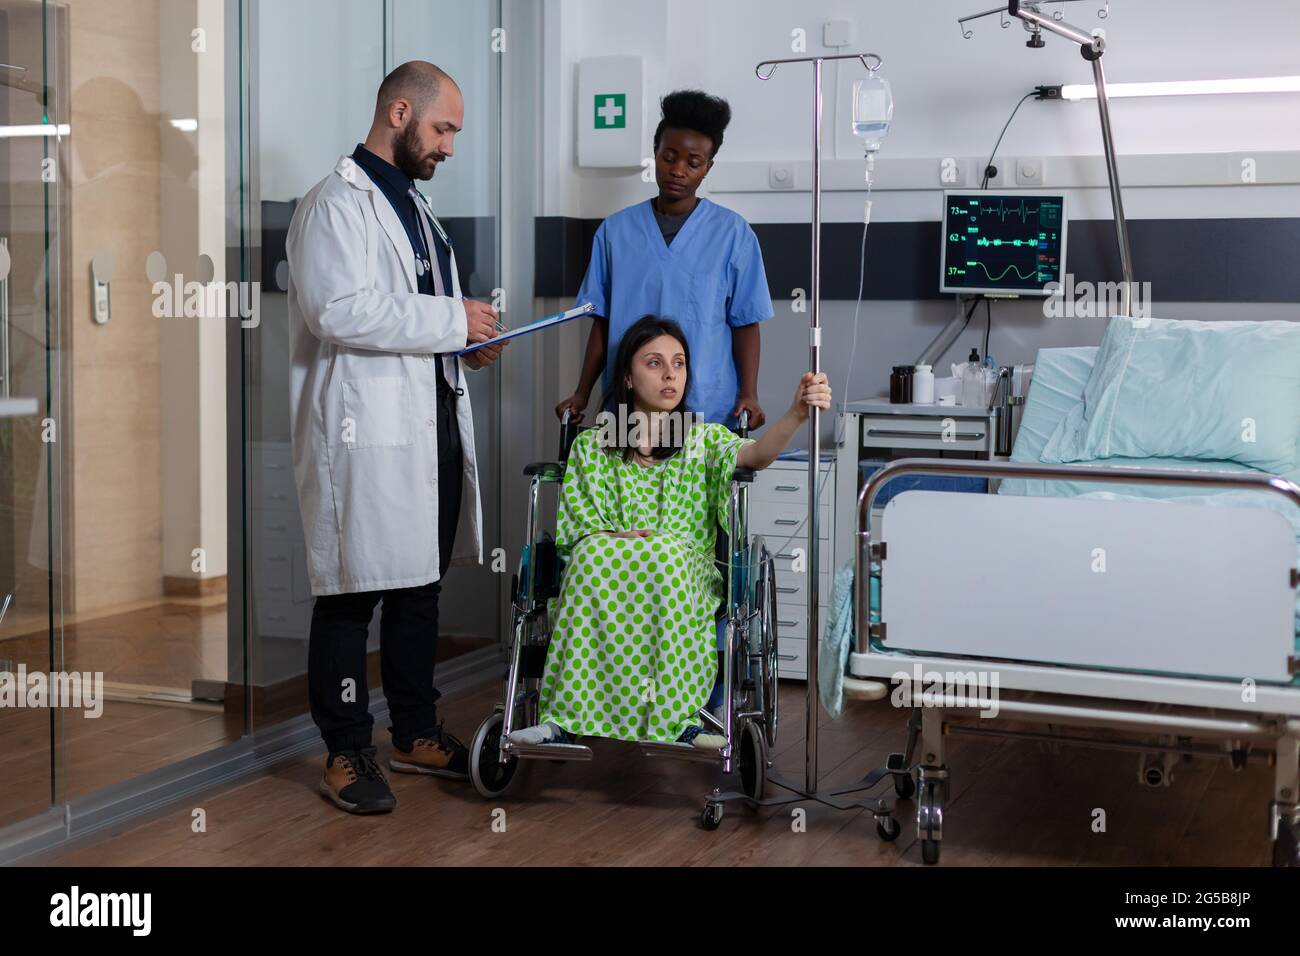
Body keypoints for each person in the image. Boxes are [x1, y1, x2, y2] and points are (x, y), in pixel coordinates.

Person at [286, 61, 505, 815]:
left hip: (429, 426)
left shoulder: (419, 212)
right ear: (401, 112)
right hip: (363, 435)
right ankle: (346, 752)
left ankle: (413, 732)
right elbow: (336, 310)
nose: (448, 146)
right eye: (443, 129)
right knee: (352, 592)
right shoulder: (332, 205)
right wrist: (450, 322)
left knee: (420, 585)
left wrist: (462, 343)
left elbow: (413, 319)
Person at [511, 316, 830, 748]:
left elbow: (755, 455)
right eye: (655, 363)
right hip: (607, 565)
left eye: (679, 364)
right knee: (589, 557)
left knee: (661, 554)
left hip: (682, 569)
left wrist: (796, 413)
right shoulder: (594, 444)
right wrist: (615, 539)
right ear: (627, 375)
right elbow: (580, 529)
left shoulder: (702, 438)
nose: (669, 375)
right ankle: (563, 720)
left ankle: (679, 720)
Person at [556, 90, 773, 431]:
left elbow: (745, 322)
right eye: (668, 157)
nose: (677, 170)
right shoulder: (615, 232)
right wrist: (582, 392)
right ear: (654, 154)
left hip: (706, 409)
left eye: (693, 163)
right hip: (630, 410)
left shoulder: (733, 234)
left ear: (708, 168)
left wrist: (750, 393)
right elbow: (602, 322)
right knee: (626, 485)